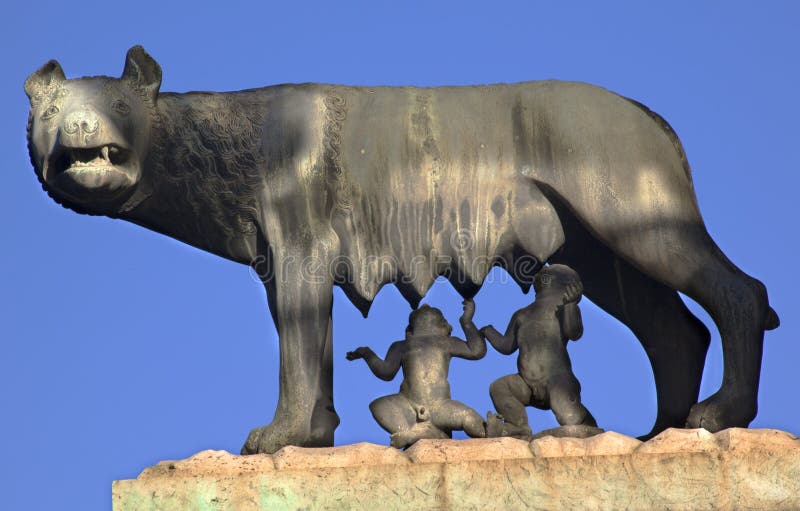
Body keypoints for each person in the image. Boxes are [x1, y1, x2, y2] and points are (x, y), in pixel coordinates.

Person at [347, 300, 487, 448]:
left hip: (440, 406)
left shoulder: (440, 342)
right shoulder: (405, 345)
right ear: (443, 326)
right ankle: (415, 432)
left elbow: (385, 372)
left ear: (410, 329)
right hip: (409, 406)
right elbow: (476, 350)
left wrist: (367, 354)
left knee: (468, 417)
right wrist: (466, 322)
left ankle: (418, 434)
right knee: (379, 406)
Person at [481, 264, 597, 437]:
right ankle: (517, 426)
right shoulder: (522, 314)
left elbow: (573, 332)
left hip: (557, 381)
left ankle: (593, 429)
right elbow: (507, 346)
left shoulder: (562, 307)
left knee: (569, 417)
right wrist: (488, 332)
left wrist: (570, 305)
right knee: (499, 387)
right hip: (526, 384)